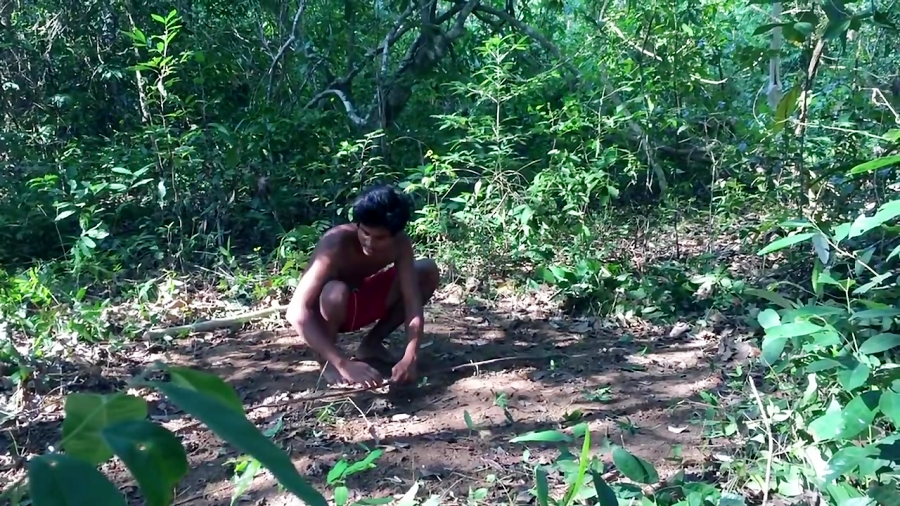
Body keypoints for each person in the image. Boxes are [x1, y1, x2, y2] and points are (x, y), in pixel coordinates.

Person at [285, 184, 440, 388]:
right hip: (326, 313)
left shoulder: (400, 244)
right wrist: (342, 363)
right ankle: (327, 361)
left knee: (426, 269)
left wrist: (411, 354)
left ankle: (371, 345)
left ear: (395, 234)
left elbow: (412, 303)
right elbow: (296, 311)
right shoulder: (336, 242)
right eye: (365, 232)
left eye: (380, 237)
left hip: (358, 303)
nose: (370, 242)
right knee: (335, 292)